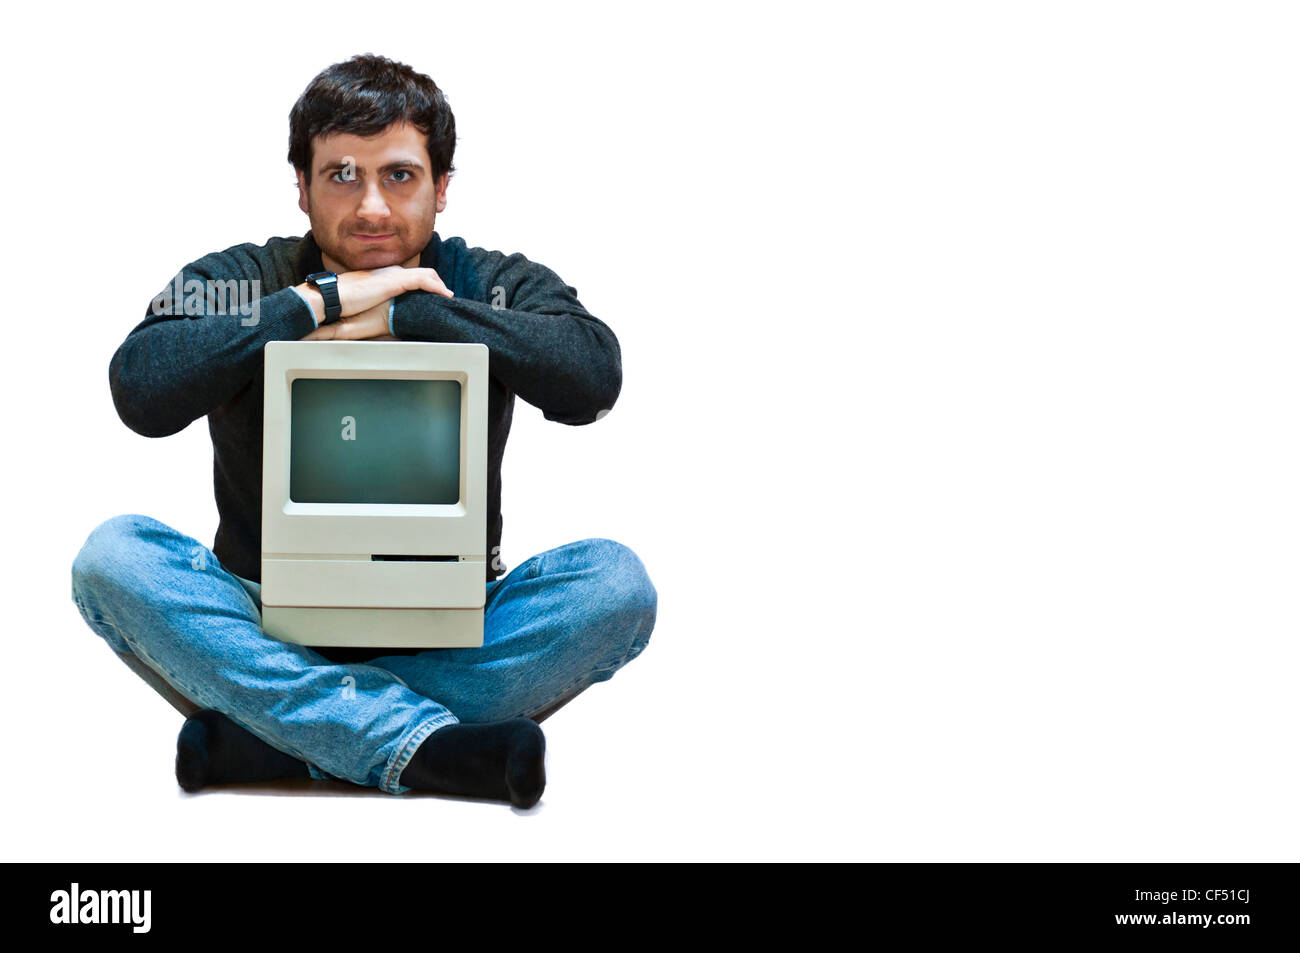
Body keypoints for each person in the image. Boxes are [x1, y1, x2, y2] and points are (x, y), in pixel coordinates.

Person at [69, 54, 657, 809]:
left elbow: (592, 376)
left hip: (450, 620)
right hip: (263, 618)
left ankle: (281, 733)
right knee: (112, 560)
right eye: (342, 175)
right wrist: (320, 299)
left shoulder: (492, 280)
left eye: (401, 176)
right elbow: (140, 386)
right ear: (303, 189)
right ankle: (431, 749)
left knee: (616, 586)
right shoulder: (244, 274)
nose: (372, 206)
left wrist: (413, 307)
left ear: (443, 188)